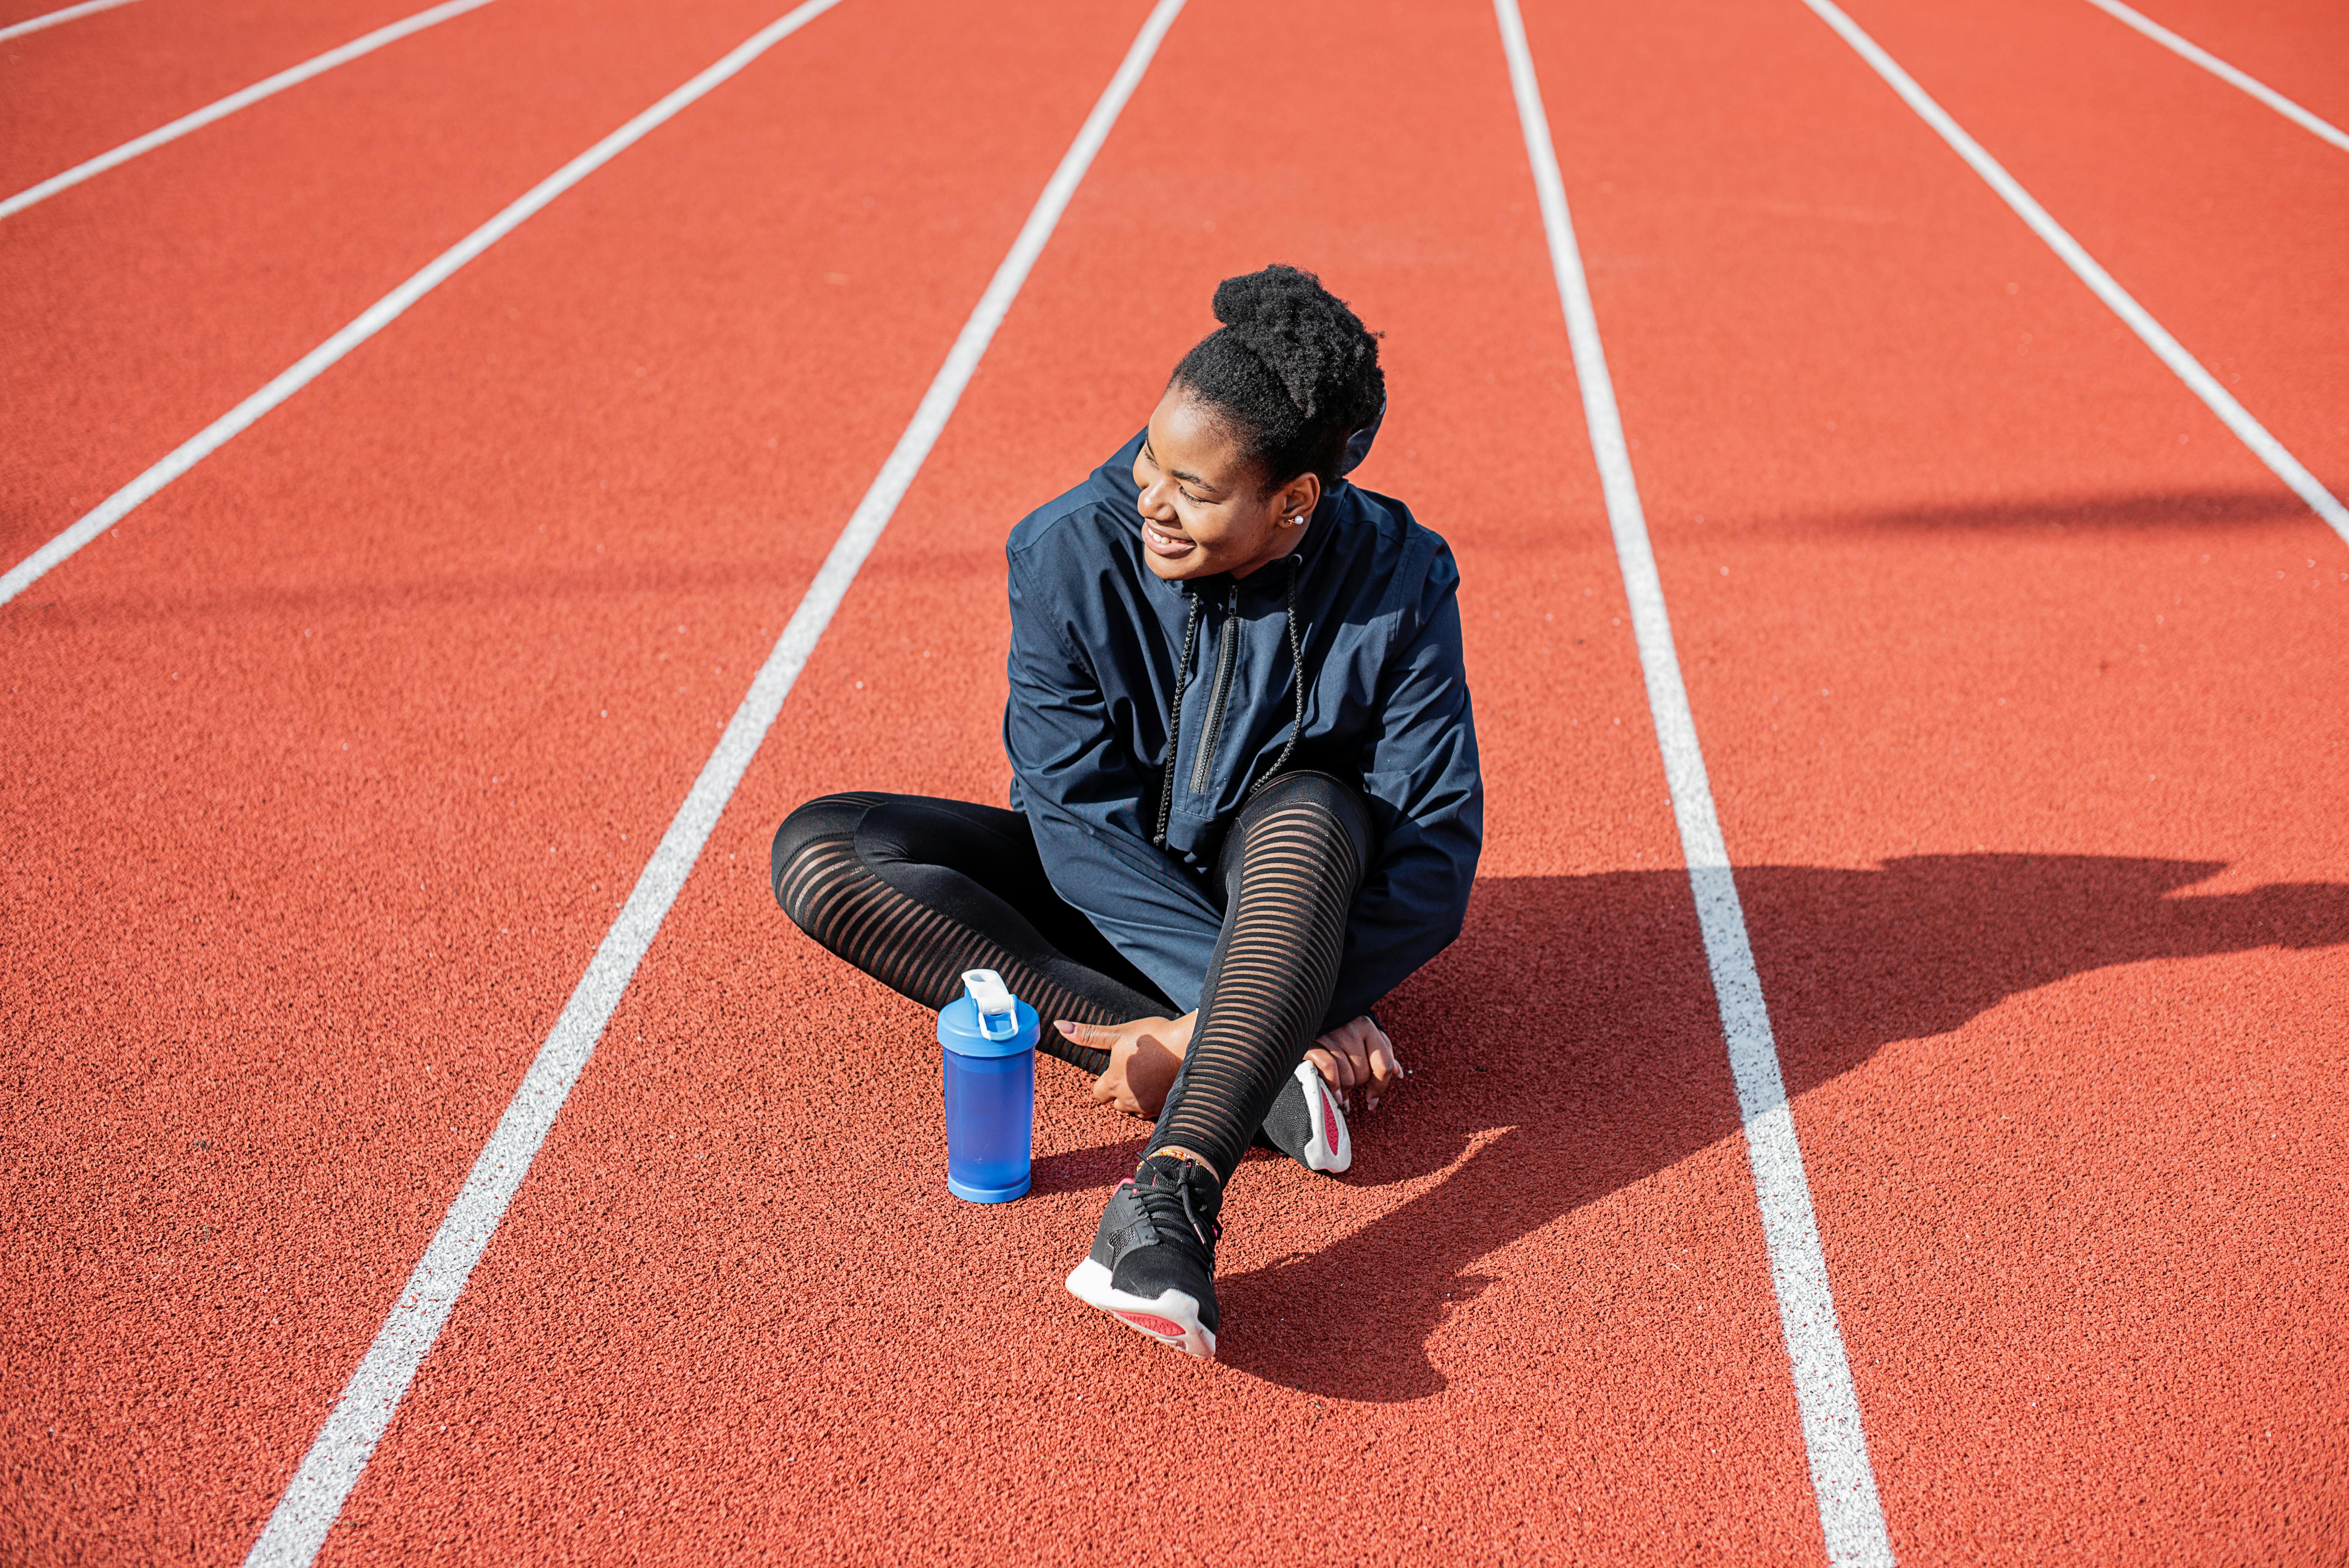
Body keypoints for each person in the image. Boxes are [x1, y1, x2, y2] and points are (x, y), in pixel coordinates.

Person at [770, 264, 1481, 1359]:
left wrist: (1213, 1028)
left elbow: (1430, 857)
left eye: (1196, 490)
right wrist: (1249, 1016)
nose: (1152, 497)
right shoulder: (1066, 549)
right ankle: (1263, 1072)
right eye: (1152, 456)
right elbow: (1067, 814)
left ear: (1293, 500)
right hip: (1116, 889)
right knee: (826, 856)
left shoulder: (1399, 580)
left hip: (1289, 893)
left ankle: (1169, 1203)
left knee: (1308, 812)